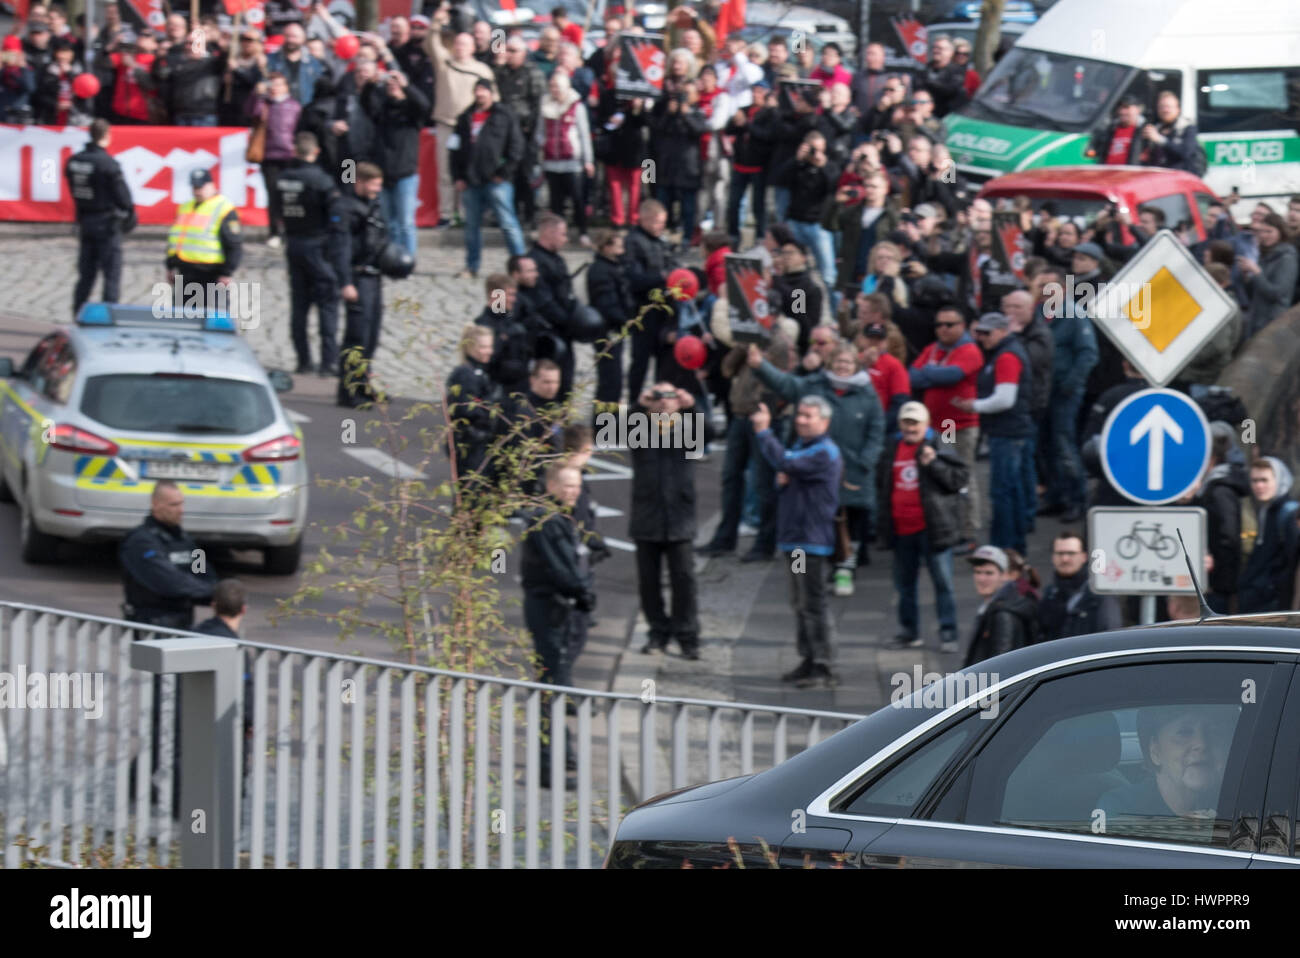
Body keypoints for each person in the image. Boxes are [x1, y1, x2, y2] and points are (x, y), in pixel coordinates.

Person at [749, 340, 884, 597]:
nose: (843, 367)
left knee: (850, 526)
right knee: (816, 529)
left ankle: (844, 571)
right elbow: (785, 384)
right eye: (838, 361)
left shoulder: (867, 394)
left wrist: (866, 461)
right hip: (812, 472)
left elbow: (876, 431)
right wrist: (760, 366)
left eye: (848, 362)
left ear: (856, 364)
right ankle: (810, 576)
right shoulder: (814, 386)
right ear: (830, 362)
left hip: (854, 472)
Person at [751, 395, 843, 688]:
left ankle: (822, 663)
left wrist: (764, 431)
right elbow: (788, 468)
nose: (801, 420)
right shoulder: (805, 448)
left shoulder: (822, 452)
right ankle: (809, 658)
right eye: (799, 415)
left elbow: (784, 461)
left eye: (808, 416)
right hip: (796, 541)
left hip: (808, 542)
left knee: (812, 602)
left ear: (825, 421)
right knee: (800, 602)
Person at [519, 463, 592, 781]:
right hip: (549, 608)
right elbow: (562, 569)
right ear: (550, 485)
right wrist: (583, 593)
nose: (573, 491)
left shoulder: (558, 516)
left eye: (576, 485)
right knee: (552, 685)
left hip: (554, 607)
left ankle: (561, 756)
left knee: (554, 684)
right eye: (567, 485)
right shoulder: (547, 519)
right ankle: (550, 764)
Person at [880, 401, 968, 653]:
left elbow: (959, 480)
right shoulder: (892, 446)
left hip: (933, 529)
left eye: (914, 423)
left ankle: (948, 633)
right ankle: (909, 632)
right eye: (906, 423)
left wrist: (935, 464)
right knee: (904, 586)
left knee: (943, 584)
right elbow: (884, 483)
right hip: (901, 529)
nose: (910, 428)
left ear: (926, 424)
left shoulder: (939, 444)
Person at [629, 383, 702, 658]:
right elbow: (608, 430)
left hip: (679, 518)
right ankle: (657, 632)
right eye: (659, 397)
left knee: (684, 580)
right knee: (649, 582)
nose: (664, 402)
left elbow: (709, 433)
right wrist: (640, 405)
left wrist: (691, 407)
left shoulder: (686, 426)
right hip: (646, 516)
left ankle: (688, 635)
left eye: (669, 396)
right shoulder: (639, 427)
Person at [953, 311, 1034, 556]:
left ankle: (1003, 545)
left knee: (1002, 491)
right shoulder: (1003, 353)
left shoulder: (1006, 356)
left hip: (1003, 431)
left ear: (1001, 332)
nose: (982, 338)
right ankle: (1013, 544)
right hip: (1006, 430)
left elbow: (1004, 399)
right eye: (979, 333)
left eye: (986, 333)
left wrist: (973, 406)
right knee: (1011, 489)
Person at [276, 130, 350, 376]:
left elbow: (277, 211)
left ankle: (303, 361)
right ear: (316, 152)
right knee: (327, 304)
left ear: (295, 151)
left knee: (299, 307)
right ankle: (329, 363)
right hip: (319, 247)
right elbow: (337, 218)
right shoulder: (322, 181)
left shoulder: (282, 179)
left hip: (294, 245)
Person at [910, 304, 982, 552]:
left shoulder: (969, 349)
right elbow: (912, 376)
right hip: (937, 425)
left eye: (949, 324)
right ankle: (950, 528)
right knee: (940, 476)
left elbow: (952, 376)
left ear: (962, 326)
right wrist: (934, 373)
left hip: (956, 424)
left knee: (961, 477)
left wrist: (930, 372)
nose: (943, 329)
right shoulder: (933, 349)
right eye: (939, 324)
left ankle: (968, 532)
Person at [1097, 705, 1235, 825]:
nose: (1202, 744)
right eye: (1184, 733)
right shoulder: (1122, 810)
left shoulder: (1244, 803)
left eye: (1214, 732)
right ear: (1155, 750)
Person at [1035, 265, 1097, 524]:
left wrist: (1070, 384)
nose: (1044, 291)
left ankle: (1077, 500)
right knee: (1046, 446)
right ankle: (1056, 496)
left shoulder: (1073, 315)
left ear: (1062, 288)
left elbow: (1088, 354)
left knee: (1064, 446)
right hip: (1043, 391)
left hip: (1064, 392)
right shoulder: (1039, 314)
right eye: (1041, 286)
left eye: (1050, 286)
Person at [450, 77, 527, 280]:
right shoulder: (464, 118)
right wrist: (457, 176)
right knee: (471, 228)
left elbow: (517, 147)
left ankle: (520, 267)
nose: (480, 94)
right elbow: (454, 150)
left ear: (492, 94)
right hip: (471, 181)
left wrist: (504, 173)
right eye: (477, 90)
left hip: (497, 181)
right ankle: (472, 266)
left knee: (508, 224)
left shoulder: (504, 115)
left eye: (484, 90)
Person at [120, 481, 217, 631]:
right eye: (174, 505)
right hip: (150, 628)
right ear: (156, 504)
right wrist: (214, 592)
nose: (181, 510)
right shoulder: (140, 542)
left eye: (181, 504)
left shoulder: (185, 540)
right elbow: (169, 582)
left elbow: (205, 573)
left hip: (182, 624)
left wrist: (218, 592)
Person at [65, 118, 134, 317]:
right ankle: (109, 315)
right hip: (107, 224)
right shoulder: (108, 164)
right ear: (107, 136)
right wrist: (129, 213)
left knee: (86, 274)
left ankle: (77, 314)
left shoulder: (74, 161)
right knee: (111, 275)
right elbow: (124, 198)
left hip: (85, 221)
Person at [427, 28, 495, 227]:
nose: (459, 48)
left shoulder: (482, 70)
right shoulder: (444, 64)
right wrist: (438, 21)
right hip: (446, 124)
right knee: (445, 172)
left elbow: (493, 99)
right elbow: (432, 43)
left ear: (473, 48)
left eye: (464, 44)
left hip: (471, 126)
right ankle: (446, 213)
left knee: (468, 170)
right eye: (457, 43)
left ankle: (467, 213)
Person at [336, 162, 388, 408]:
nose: (377, 190)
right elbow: (341, 249)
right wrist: (345, 282)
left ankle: (364, 384)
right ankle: (349, 391)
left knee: (371, 335)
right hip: (357, 277)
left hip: (373, 277)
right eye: (374, 185)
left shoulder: (373, 205)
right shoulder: (346, 208)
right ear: (360, 182)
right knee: (356, 337)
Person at [364, 66, 428, 258]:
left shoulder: (412, 111)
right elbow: (366, 103)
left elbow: (424, 105)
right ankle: (392, 258)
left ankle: (408, 258)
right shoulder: (382, 109)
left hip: (405, 173)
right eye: (389, 84)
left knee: (406, 222)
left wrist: (406, 86)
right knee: (388, 222)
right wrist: (370, 84)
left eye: (396, 84)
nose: (392, 87)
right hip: (382, 173)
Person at [1002, 288, 1052, 533]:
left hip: (1030, 407)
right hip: (1009, 411)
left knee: (1025, 465)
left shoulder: (1039, 334)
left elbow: (1029, 362)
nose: (1011, 313)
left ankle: (1028, 515)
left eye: (1017, 308)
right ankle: (1018, 515)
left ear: (1030, 309)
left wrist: (1013, 338)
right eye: (1007, 307)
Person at [165, 169, 242, 315]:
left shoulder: (224, 208)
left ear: (211, 185)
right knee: (182, 320)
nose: (197, 191)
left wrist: (227, 273)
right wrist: (170, 265)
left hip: (211, 276)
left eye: (200, 187)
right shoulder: (186, 207)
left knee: (212, 322)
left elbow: (234, 244)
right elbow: (176, 238)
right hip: (185, 273)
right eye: (194, 187)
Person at [494, 36, 547, 228]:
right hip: (505, 132)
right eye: (507, 50)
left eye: (513, 51)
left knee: (527, 175)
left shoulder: (532, 72)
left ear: (524, 53)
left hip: (525, 132)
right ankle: (511, 213)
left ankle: (530, 214)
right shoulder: (502, 73)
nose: (509, 55)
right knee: (509, 174)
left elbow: (537, 104)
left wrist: (532, 133)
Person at [1197, 424, 1249, 613]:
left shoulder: (1220, 491)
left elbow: (1228, 539)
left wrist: (1216, 581)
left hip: (1217, 585)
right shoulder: (1213, 487)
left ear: (1211, 459)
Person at [538, 68, 594, 246]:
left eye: (558, 86)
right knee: (556, 202)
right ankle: (559, 235)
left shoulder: (577, 106)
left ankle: (582, 231)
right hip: (551, 161)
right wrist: (541, 147)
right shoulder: (545, 105)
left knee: (577, 199)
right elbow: (540, 132)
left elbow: (584, 135)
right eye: (552, 86)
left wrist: (588, 160)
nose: (555, 90)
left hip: (572, 161)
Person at [1237, 457, 1300, 614]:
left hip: (1275, 603)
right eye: (1255, 480)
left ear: (1279, 480)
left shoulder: (1288, 513)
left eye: (1264, 480)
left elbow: (1292, 561)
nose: (1259, 486)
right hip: (1261, 600)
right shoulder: (1266, 510)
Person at [528, 213, 581, 399]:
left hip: (563, 332)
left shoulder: (557, 260)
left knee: (565, 383)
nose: (565, 239)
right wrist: (567, 321)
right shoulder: (534, 261)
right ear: (549, 233)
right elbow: (543, 300)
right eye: (562, 234)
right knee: (549, 387)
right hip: (546, 335)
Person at [247, 72, 302, 248]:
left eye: (278, 84)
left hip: (289, 156)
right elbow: (250, 113)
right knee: (273, 195)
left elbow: (299, 129)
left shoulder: (294, 106)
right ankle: (274, 231)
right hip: (269, 155)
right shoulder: (264, 104)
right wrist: (257, 95)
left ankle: (290, 230)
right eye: (272, 84)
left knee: (291, 195)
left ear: (286, 87)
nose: (274, 88)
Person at [1037, 530, 1121, 642]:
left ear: (1084, 557)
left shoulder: (1099, 595)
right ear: (1053, 557)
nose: (1065, 559)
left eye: (1071, 553)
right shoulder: (1050, 594)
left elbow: (1110, 638)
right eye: (1060, 553)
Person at [445, 323, 504, 483]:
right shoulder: (466, 374)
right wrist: (489, 410)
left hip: (477, 442)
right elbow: (464, 408)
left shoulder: (480, 372)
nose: (489, 351)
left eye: (490, 346)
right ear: (470, 347)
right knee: (471, 488)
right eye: (483, 347)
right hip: (469, 443)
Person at [586, 229, 636, 417]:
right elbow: (607, 304)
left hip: (614, 330)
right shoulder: (601, 271)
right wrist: (626, 321)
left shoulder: (613, 266)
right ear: (607, 247)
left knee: (613, 380)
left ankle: (609, 421)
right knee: (610, 380)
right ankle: (604, 424)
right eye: (618, 245)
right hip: (607, 332)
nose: (622, 249)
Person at [962, 545, 1038, 666]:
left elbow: (1000, 666)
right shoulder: (993, 606)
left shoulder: (1003, 615)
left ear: (1004, 575)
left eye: (989, 573)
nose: (981, 578)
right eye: (977, 572)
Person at [1240, 212, 1298, 342]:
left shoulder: (1287, 258)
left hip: (1272, 321)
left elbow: (1277, 293)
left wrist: (1256, 272)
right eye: (1261, 232)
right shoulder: (1265, 256)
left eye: (1269, 231)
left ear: (1280, 232)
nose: (1264, 235)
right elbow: (1253, 292)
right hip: (1257, 319)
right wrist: (1246, 276)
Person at [474, 273, 532, 398]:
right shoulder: (482, 326)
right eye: (510, 295)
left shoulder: (511, 321)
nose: (514, 299)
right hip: (498, 394)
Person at [1142, 90, 1206, 175]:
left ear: (1178, 109)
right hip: (1160, 177)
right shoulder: (1156, 128)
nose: (1165, 110)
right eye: (1162, 107)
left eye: (1169, 107)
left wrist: (1160, 140)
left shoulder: (1187, 127)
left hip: (1181, 178)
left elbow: (1186, 153)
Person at [265, 22, 325, 106]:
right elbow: (262, 83)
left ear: (303, 39)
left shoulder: (313, 63)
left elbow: (321, 89)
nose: (290, 40)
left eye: (294, 36)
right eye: (287, 36)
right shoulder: (270, 60)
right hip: (278, 110)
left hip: (305, 110)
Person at [1087, 94, 1145, 166]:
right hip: (1107, 173)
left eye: (1126, 107)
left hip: (1129, 175)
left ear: (1137, 110)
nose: (1122, 112)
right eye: (1120, 108)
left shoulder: (1144, 131)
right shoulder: (1110, 129)